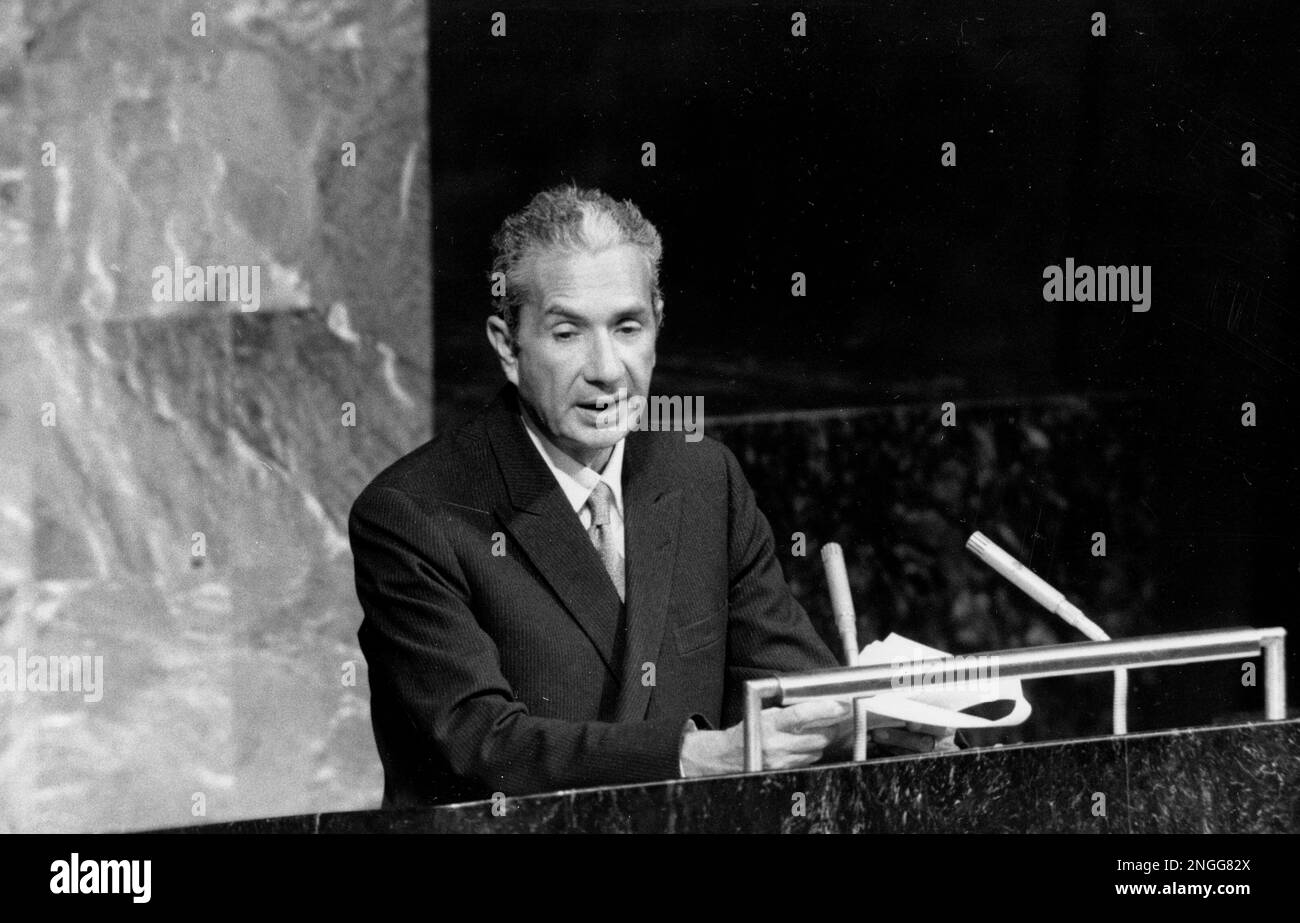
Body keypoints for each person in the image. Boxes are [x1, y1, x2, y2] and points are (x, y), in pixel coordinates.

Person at [349, 184, 943, 807]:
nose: (607, 368)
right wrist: (691, 755)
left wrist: (892, 722)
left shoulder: (702, 477)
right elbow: (485, 743)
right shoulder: (414, 513)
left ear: (657, 328)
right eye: (567, 333)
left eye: (627, 327)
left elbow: (789, 686)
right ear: (507, 345)